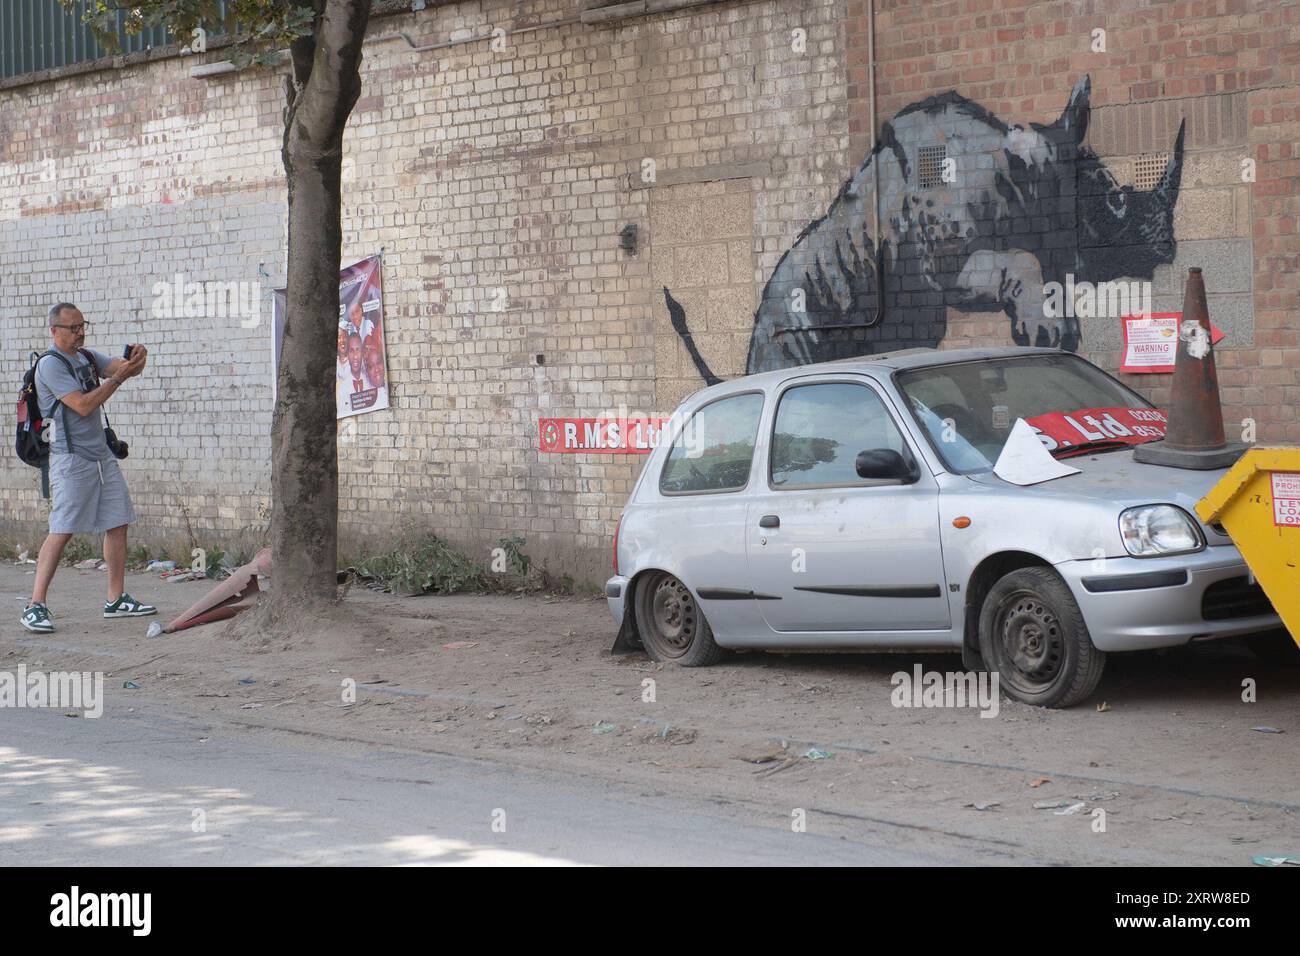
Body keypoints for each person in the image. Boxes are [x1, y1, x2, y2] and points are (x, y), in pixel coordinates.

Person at [21, 303, 157, 633]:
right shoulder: (49, 366)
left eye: (83, 326)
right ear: (55, 331)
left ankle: (116, 599)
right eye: (73, 328)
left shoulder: (87, 357)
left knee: (118, 521)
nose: (81, 332)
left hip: (101, 456)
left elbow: (123, 368)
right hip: (70, 459)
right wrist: (118, 380)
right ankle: (34, 605)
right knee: (62, 529)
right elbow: (83, 406)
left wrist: (138, 358)